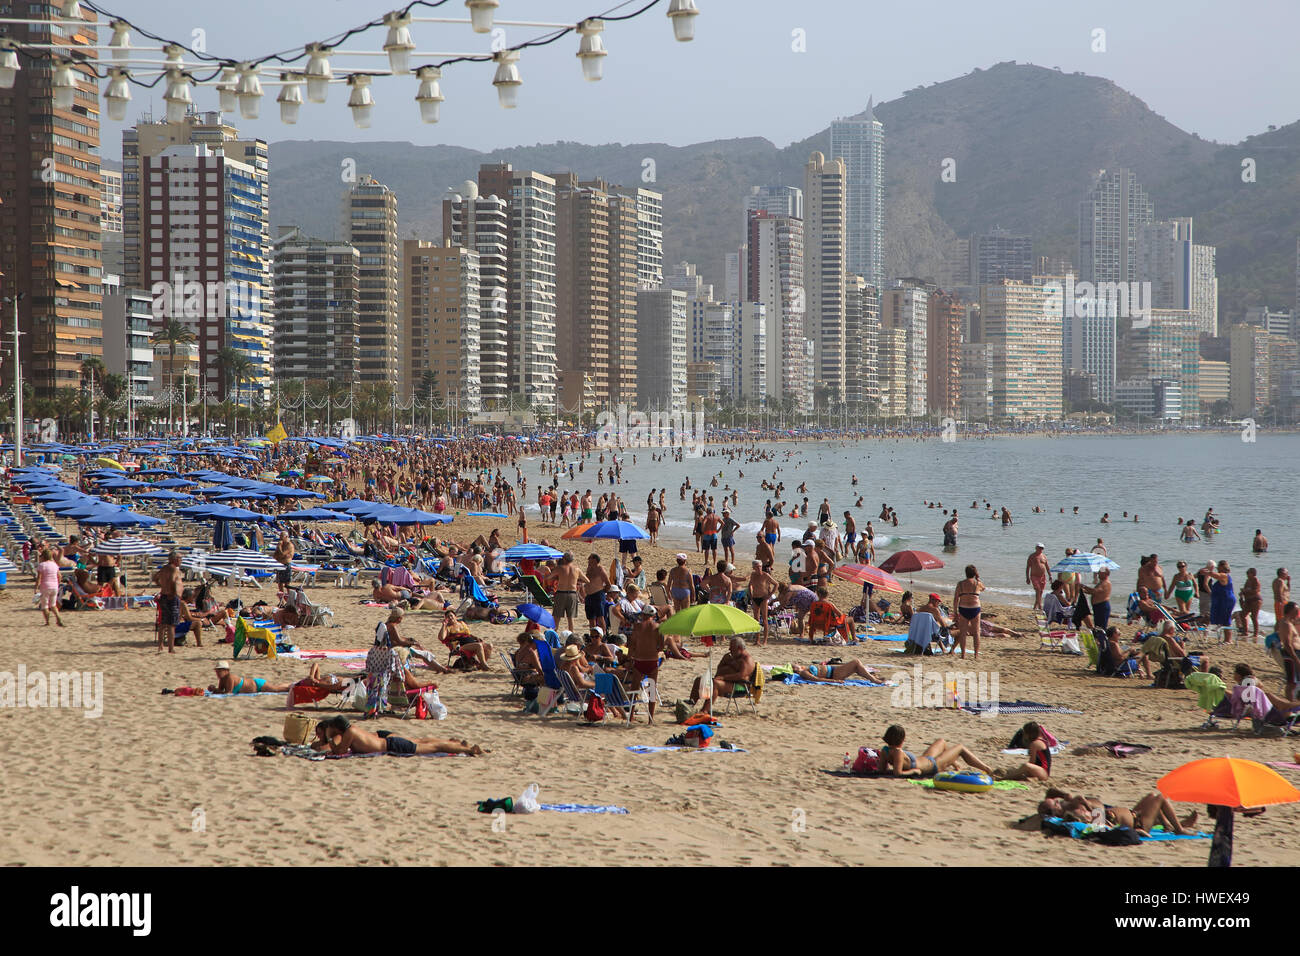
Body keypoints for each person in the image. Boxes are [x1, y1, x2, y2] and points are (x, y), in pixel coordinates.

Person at [1039, 789, 1198, 837]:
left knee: (1150, 796)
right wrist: (1088, 805)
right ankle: (1179, 828)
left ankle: (1174, 824)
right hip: (1137, 822)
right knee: (1160, 798)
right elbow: (1101, 825)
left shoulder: (1068, 808)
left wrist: (1065, 797)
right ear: (1053, 811)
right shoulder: (1074, 816)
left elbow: (1049, 792)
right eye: (1055, 803)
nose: (1057, 801)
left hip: (1131, 814)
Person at [311, 715, 484, 756]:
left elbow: (339, 751)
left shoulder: (348, 733)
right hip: (390, 742)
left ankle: (468, 749)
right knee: (425, 742)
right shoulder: (352, 730)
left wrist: (328, 742)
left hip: (393, 746)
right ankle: (459, 745)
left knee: (433, 748)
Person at [366, 607, 423, 717]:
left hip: (389, 653)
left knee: (421, 653)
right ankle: (443, 669)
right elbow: (400, 641)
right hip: (395, 649)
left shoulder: (387, 625)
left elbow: (399, 638)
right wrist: (411, 643)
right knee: (423, 654)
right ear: (398, 618)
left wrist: (409, 640)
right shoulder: (392, 626)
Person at [879, 724, 994, 778]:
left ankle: (955, 764)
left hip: (926, 759)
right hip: (934, 765)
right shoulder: (898, 752)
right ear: (901, 739)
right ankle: (988, 769)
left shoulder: (885, 750)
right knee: (960, 748)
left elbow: (881, 770)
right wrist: (914, 772)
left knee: (941, 741)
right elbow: (897, 773)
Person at [687, 637, 756, 715]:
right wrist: (724, 661)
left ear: (739, 648)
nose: (729, 649)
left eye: (732, 648)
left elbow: (741, 676)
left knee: (715, 684)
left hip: (740, 686)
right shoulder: (732, 657)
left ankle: (704, 710)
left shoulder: (747, 659)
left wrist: (724, 677)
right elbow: (718, 672)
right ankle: (690, 705)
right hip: (728, 682)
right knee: (699, 680)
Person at [153, 550, 184, 654]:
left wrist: (162, 586)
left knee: (162, 623)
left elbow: (155, 578)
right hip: (171, 597)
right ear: (175, 559)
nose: (181, 560)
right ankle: (171, 648)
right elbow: (172, 580)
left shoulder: (164, 568)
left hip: (164, 595)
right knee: (171, 624)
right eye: (180, 558)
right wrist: (173, 592)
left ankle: (161, 645)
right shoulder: (174, 569)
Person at [952, 565, 984, 659]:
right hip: (975, 608)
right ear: (974, 573)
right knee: (976, 632)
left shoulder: (960, 584)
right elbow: (983, 588)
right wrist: (978, 578)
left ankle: (963, 654)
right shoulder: (977, 583)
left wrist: (955, 612)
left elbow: (956, 599)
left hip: (963, 608)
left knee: (963, 632)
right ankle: (976, 654)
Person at [208, 660, 293, 696]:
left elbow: (228, 693)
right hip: (256, 686)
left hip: (258, 685)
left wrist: (215, 690)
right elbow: (220, 691)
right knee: (276, 687)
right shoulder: (222, 679)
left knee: (277, 689)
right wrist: (214, 689)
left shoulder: (230, 677)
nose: (218, 673)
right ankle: (290, 685)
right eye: (217, 671)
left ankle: (291, 687)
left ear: (226, 671)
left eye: (219, 671)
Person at [746, 560, 778, 645]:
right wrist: (751, 595)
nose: (759, 568)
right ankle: (757, 640)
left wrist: (770, 595)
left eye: (760, 566)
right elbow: (750, 585)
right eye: (756, 567)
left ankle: (765, 640)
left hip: (763, 598)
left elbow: (776, 584)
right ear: (753, 568)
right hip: (755, 598)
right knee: (756, 619)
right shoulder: (753, 575)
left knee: (764, 619)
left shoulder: (765, 575)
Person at [35, 548, 63, 627]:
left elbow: (39, 577)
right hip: (54, 586)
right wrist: (58, 583)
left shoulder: (42, 565)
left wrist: (36, 587)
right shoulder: (54, 565)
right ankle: (58, 618)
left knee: (45, 605)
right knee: (53, 605)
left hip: (45, 586)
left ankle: (47, 622)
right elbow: (59, 576)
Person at [1078, 568, 1112, 633]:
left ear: (1106, 574)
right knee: (1097, 625)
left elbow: (1095, 591)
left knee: (1101, 626)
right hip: (1097, 606)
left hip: (1102, 606)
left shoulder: (1105, 583)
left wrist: (1084, 586)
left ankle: (1102, 640)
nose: (1098, 574)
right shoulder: (1100, 583)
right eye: (1099, 572)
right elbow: (1094, 592)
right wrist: (1083, 591)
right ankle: (1099, 638)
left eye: (1101, 572)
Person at [791, 659, 881, 683]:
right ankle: (873, 679)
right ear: (795, 669)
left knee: (857, 667)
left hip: (834, 671)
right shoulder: (803, 673)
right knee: (856, 662)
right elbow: (816, 679)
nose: (797, 664)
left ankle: (872, 678)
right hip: (834, 674)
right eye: (795, 666)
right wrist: (834, 681)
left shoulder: (804, 669)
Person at [1234, 567, 1263, 640]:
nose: (1247, 574)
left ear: (1253, 574)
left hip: (1256, 600)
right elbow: (1245, 589)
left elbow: (1255, 591)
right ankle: (1245, 631)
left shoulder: (1256, 581)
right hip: (1248, 600)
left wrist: (1245, 590)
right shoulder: (1248, 580)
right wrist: (1242, 593)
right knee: (1242, 614)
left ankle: (1255, 633)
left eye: (1248, 573)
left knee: (1254, 617)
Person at [1026, 544, 1050, 610]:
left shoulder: (1044, 556)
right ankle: (1040, 606)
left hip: (1042, 576)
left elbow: (1047, 567)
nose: (1040, 549)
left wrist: (1050, 575)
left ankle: (1035, 606)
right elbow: (1028, 567)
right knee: (1038, 590)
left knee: (1041, 591)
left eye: (1042, 548)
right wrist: (1027, 578)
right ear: (1036, 548)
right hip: (1034, 576)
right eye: (1039, 548)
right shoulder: (1032, 556)